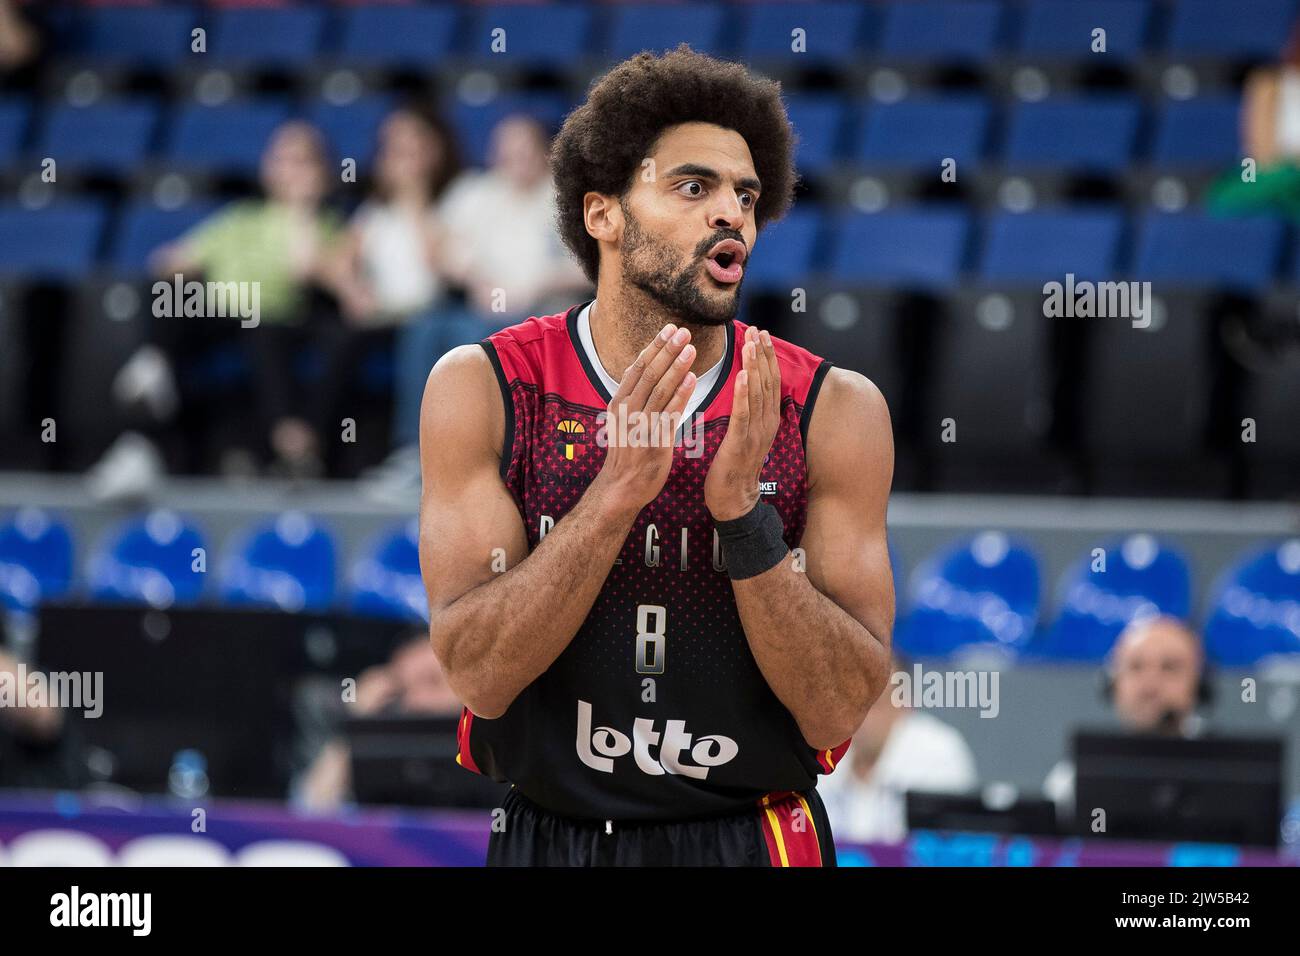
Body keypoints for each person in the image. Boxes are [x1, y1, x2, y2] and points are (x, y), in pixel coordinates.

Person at [418, 45, 895, 867]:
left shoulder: (832, 409)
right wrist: (613, 496)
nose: (731, 215)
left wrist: (744, 518)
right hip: (549, 835)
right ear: (602, 214)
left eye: (746, 195)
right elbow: (479, 677)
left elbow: (837, 708)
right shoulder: (487, 387)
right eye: (692, 186)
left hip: (748, 835)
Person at [88, 120, 344, 498]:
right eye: (281, 158)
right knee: (169, 291)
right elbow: (174, 259)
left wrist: (302, 207)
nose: (288, 169)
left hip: (274, 318)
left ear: (322, 172)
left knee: (258, 330)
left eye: (301, 161)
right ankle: (154, 363)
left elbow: (303, 270)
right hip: (217, 314)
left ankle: (284, 451)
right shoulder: (241, 218)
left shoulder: (327, 224)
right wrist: (175, 267)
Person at [362, 112, 592, 500]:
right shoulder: (474, 194)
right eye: (505, 150)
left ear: (545, 152)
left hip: (544, 309)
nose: (513, 158)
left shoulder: (566, 197)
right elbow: (443, 250)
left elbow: (591, 267)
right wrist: (475, 279)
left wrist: (535, 285)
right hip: (481, 301)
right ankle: (414, 454)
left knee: (474, 341)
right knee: (424, 328)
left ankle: (474, 456)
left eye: (523, 149)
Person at [320, 102, 463, 480]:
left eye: (411, 150)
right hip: (378, 315)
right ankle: (317, 451)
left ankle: (410, 456)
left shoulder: (454, 202)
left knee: (412, 333)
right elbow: (336, 261)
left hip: (428, 314)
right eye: (393, 150)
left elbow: (439, 262)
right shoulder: (373, 213)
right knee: (338, 340)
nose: (401, 161)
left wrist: (413, 196)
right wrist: (352, 292)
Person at [1042, 614, 1210, 819]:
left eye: (1169, 668)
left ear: (1200, 686)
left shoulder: (1226, 766)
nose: (1150, 686)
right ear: (1112, 684)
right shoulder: (1076, 773)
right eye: (1136, 667)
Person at [816, 657, 977, 845]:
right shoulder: (823, 751)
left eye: (873, 705)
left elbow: (944, 851)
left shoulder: (939, 753)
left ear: (905, 703)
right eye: (852, 705)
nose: (859, 719)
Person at [293, 635, 461, 812]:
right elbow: (312, 810)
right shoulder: (383, 756)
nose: (413, 701)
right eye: (401, 690)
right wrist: (358, 722)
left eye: (432, 682)